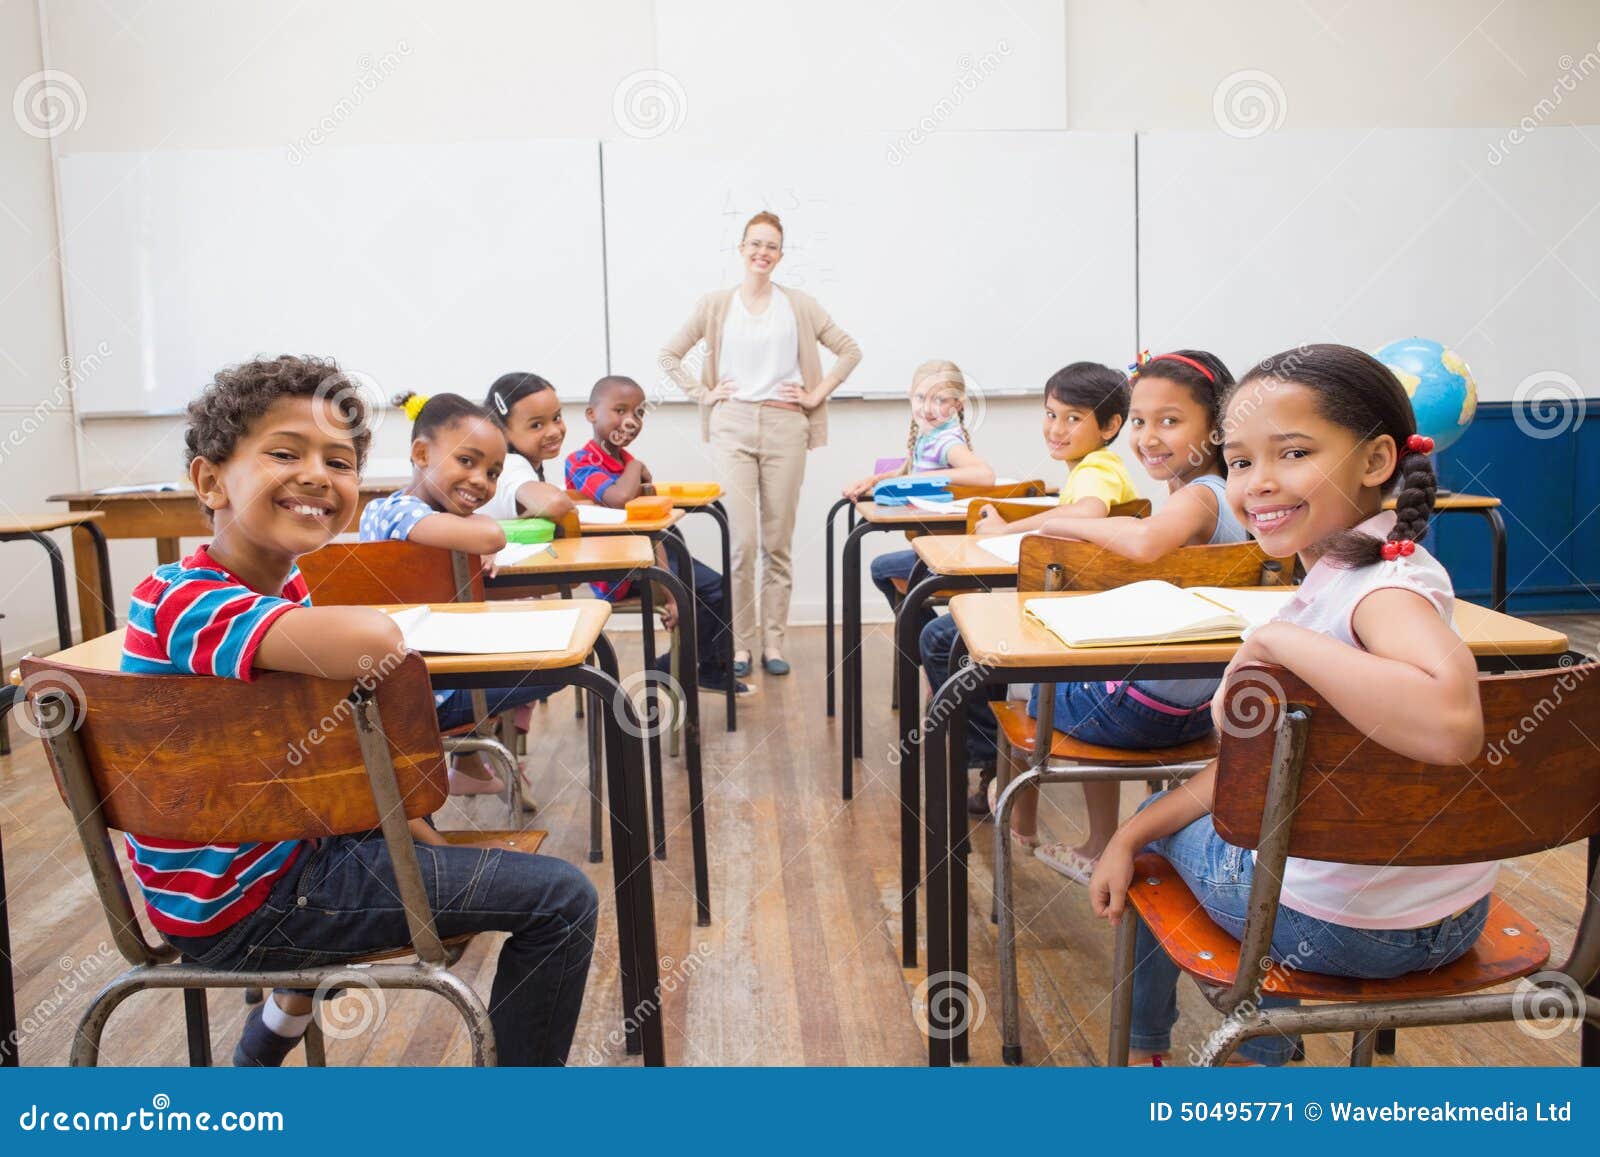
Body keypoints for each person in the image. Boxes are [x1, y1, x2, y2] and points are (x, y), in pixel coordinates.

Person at [124, 355, 597, 1066]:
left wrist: (422, 844)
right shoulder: (182, 598)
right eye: (285, 453)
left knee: (495, 871)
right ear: (210, 479)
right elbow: (376, 642)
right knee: (563, 899)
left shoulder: (275, 594)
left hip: (292, 849)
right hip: (250, 900)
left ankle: (258, 1054)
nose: (318, 474)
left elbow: (344, 744)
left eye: (338, 461)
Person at [1090, 342, 1490, 1066]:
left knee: (1163, 840)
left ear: (1375, 462)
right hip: (1454, 916)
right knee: (1218, 819)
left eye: (1294, 452)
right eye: (1240, 462)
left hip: (1346, 921)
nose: (1259, 484)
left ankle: (1207, 1059)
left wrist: (1277, 638)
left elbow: (1453, 720)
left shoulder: (1381, 593)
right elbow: (1260, 771)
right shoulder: (1381, 569)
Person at [991, 350, 1244, 883]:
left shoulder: (1201, 497)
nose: (1148, 437)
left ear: (1216, 430)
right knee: (1092, 672)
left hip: (1139, 716)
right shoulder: (1230, 496)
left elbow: (1148, 541)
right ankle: (1054, 824)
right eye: (1140, 422)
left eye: (1170, 422)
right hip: (1203, 715)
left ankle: (1019, 815)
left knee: (1014, 680)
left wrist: (1066, 528)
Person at [921, 361, 1136, 812]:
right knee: (951, 635)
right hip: (1069, 610)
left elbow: (1089, 514)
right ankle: (985, 754)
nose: (1056, 429)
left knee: (943, 638)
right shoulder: (1095, 467)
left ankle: (982, 756)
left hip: (1070, 622)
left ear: (1111, 425)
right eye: (1050, 413)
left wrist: (1006, 533)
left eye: (1073, 418)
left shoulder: (1097, 469)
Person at [660, 210, 862, 677]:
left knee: (777, 541)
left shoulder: (799, 304)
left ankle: (774, 642)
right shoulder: (716, 304)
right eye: (755, 244)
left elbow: (850, 348)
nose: (762, 253)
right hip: (732, 425)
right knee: (742, 544)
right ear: (741, 249)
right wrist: (704, 394)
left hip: (786, 425)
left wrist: (816, 393)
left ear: (780, 254)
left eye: (771, 246)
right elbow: (669, 353)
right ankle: (740, 645)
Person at [360, 390, 553, 797]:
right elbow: (491, 534)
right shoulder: (400, 512)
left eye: (493, 473)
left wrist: (470, 554)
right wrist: (480, 538)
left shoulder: (392, 512)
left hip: (408, 680)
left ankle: (470, 766)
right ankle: (471, 758)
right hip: (428, 691)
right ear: (421, 454)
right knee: (563, 663)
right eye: (467, 461)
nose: (480, 481)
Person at [566, 374, 747, 694]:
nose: (631, 421)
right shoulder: (581, 462)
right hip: (616, 571)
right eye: (620, 410)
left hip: (649, 557)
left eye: (638, 413)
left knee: (718, 588)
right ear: (591, 414)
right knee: (696, 592)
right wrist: (637, 470)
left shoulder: (626, 463)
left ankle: (698, 667)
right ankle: (679, 665)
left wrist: (635, 471)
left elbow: (653, 527)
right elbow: (618, 499)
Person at [845, 360, 995, 634]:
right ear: (909, 394)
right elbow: (908, 469)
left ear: (958, 405)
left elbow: (984, 475)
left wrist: (916, 479)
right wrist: (874, 480)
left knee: (881, 568)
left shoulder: (946, 441)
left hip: (947, 553)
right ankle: (923, 641)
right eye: (920, 397)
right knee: (884, 568)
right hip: (935, 548)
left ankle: (918, 644)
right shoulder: (930, 436)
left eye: (939, 400)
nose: (927, 408)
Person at [477, 371, 577, 522]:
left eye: (556, 418)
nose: (554, 431)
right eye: (536, 425)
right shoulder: (511, 464)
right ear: (502, 430)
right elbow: (554, 503)